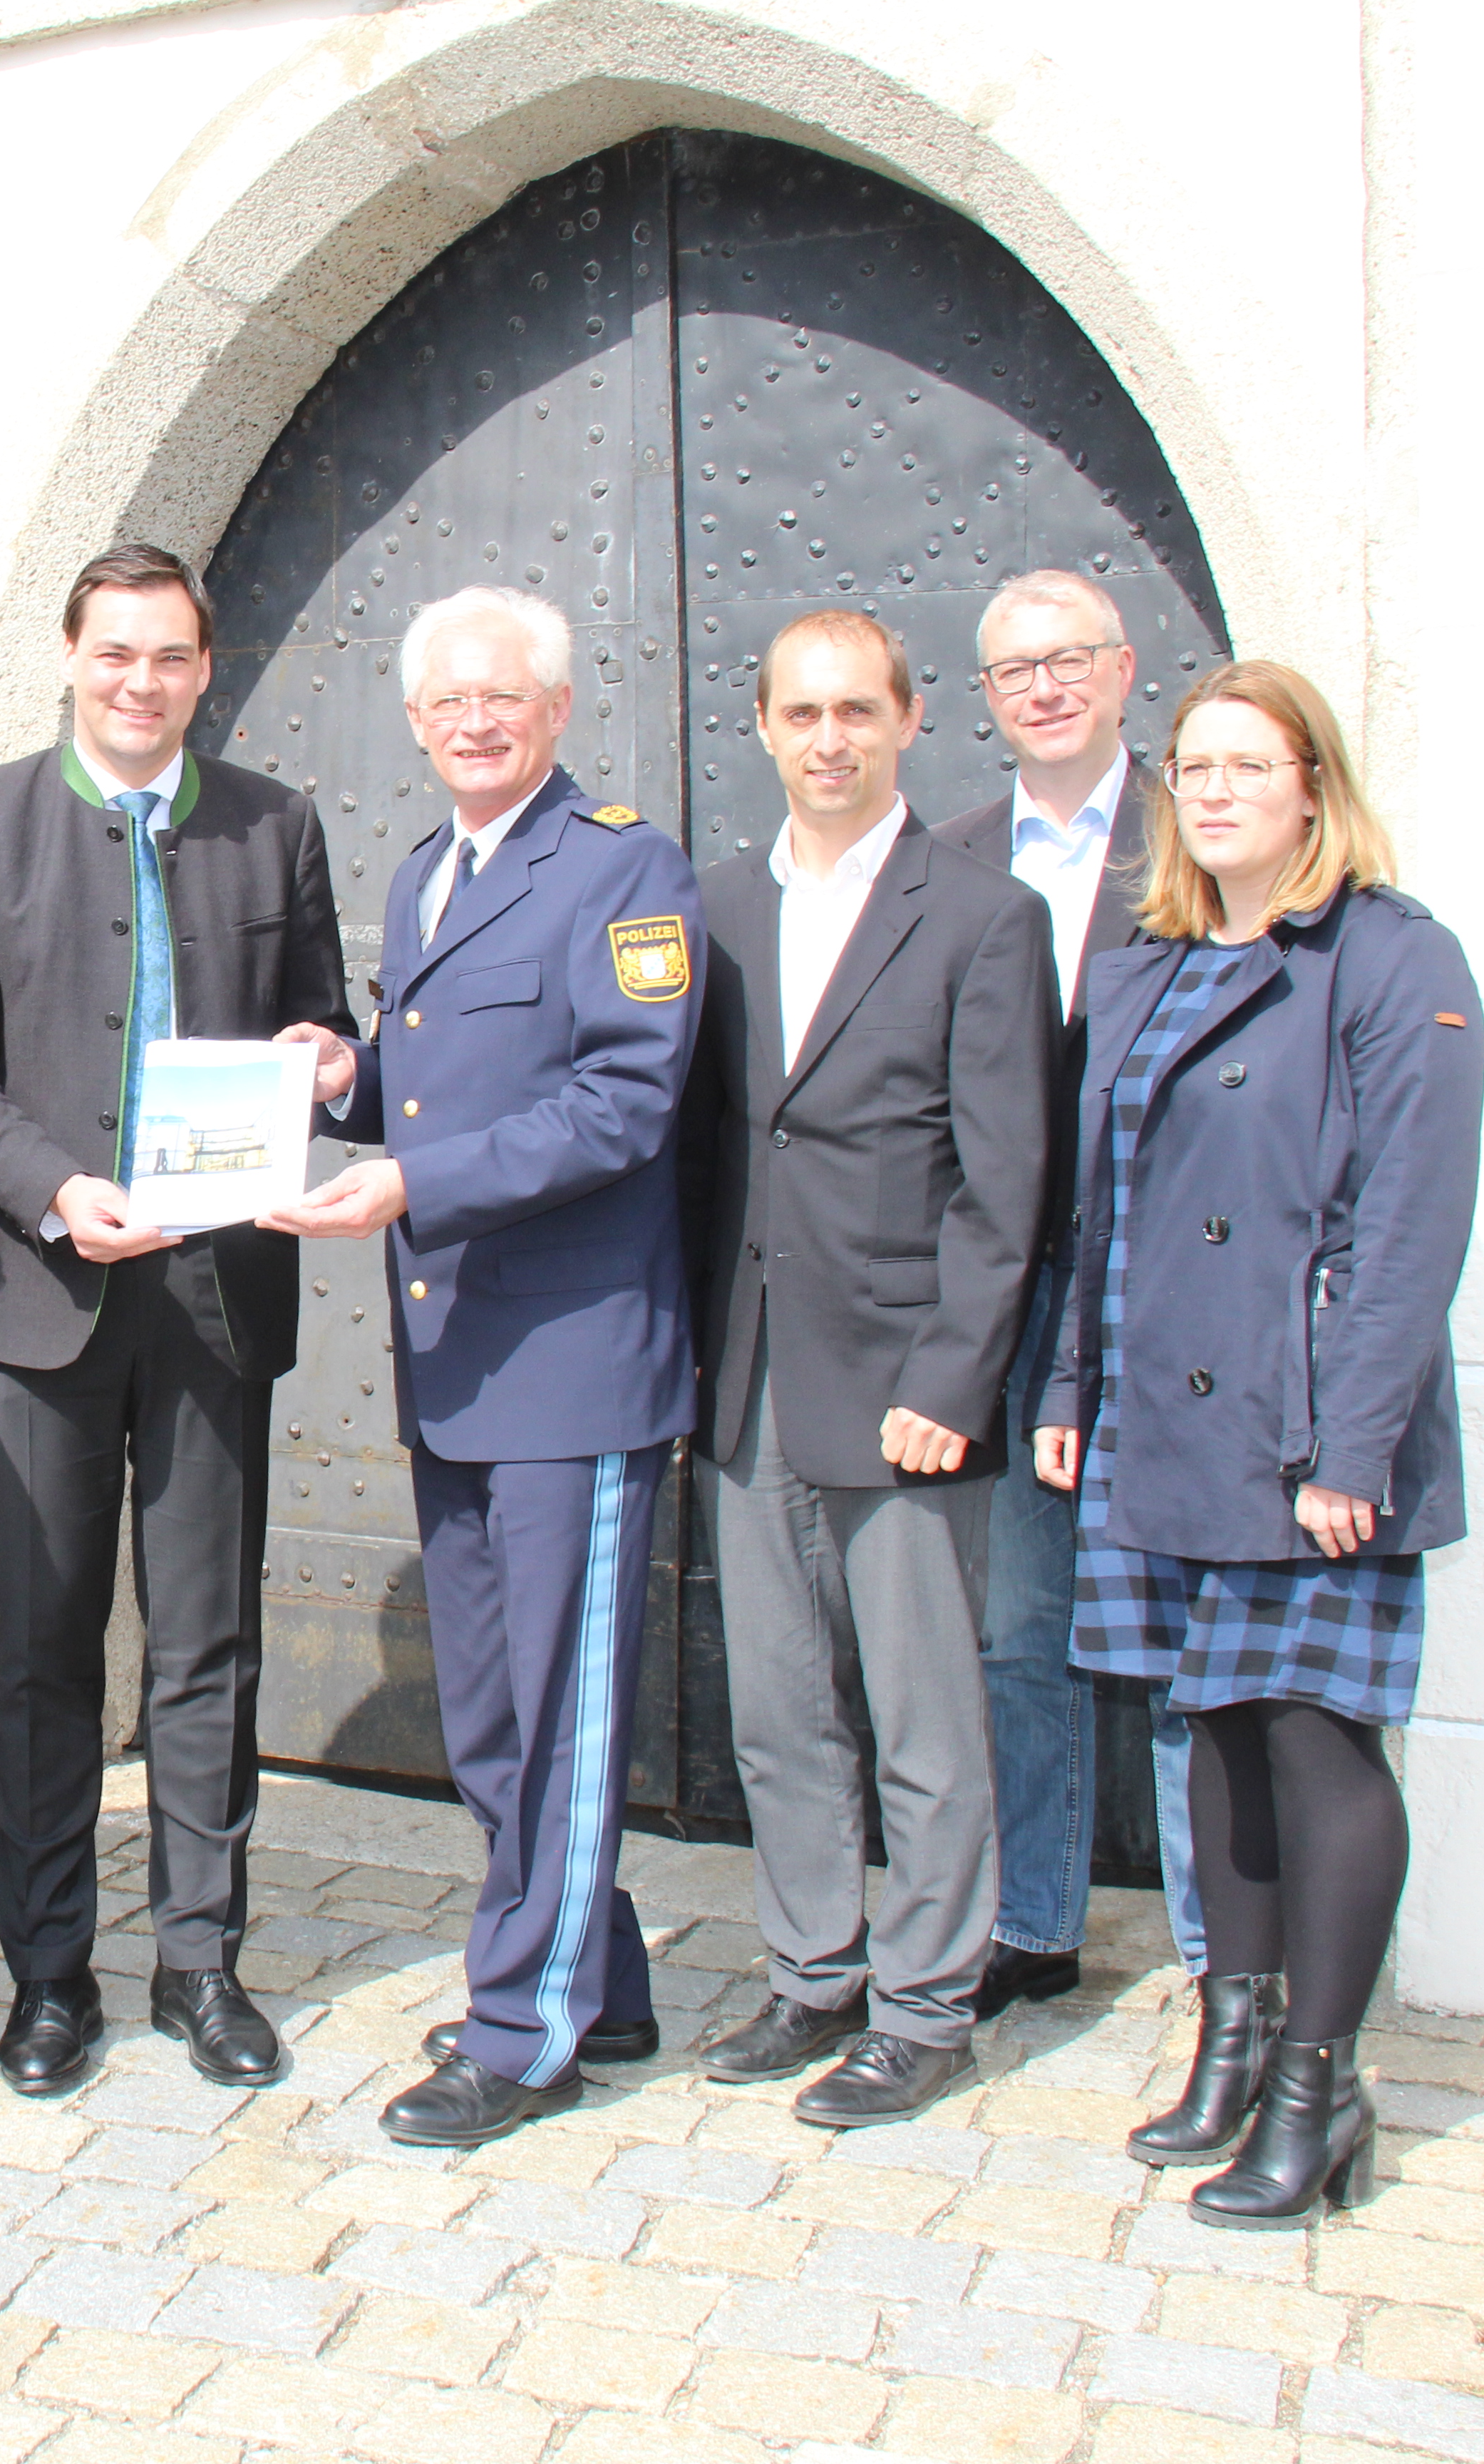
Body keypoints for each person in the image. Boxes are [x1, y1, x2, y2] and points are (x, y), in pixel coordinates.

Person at [1033, 661, 1482, 2224]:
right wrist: (1071, 1387)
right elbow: (1111, 1211)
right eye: (1196, 765)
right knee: (1215, 1731)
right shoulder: (1151, 964)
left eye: (1249, 765)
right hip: (1166, 1420)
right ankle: (1229, 2044)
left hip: (1305, 1437)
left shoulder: (1386, 956)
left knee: (1310, 1739)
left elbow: (1412, 1228)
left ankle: (1319, 2086)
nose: (1214, 789)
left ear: (1312, 788)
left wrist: (1351, 1447)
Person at [0, 541, 354, 2097]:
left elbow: (327, 1023)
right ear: (73, 658)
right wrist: (54, 1189)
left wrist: (331, 1063)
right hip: (46, 1291)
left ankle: (200, 1961)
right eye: (116, 655)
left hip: (215, 1293)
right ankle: (48, 1979)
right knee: (40, 1651)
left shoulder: (272, 824)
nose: (141, 682)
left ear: (204, 669)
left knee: (205, 1642)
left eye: (169, 658)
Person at [263, 587, 699, 2144]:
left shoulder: (625, 867)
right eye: (445, 701)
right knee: (497, 1715)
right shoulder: (427, 872)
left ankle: (523, 2033)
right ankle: (602, 1971)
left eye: (501, 698)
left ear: (560, 710)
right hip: (455, 1364)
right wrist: (354, 1077)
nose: (472, 720)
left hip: (572, 1367)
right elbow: (460, 1088)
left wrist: (408, 1184)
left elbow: (624, 1101)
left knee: (561, 1707)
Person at [683, 609, 1056, 2125]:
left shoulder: (982, 916)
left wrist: (956, 1384)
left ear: (909, 722)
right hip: (748, 1375)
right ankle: (813, 1968)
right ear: (761, 729)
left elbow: (1007, 1182)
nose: (829, 738)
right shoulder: (708, 910)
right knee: (778, 1709)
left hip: (905, 1386)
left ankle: (924, 2002)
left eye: (857, 711)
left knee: (922, 1717)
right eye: (801, 713)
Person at [938, 569, 1201, 2017]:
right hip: (1016, 1291)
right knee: (1023, 1630)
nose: (1042, 688)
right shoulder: (956, 853)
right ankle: (1036, 1922)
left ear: (1122, 671)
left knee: (1172, 1636)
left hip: (1163, 1298)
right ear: (985, 700)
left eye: (1068, 661)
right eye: (1013, 670)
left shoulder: (1195, 837)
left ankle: (1223, 1953)